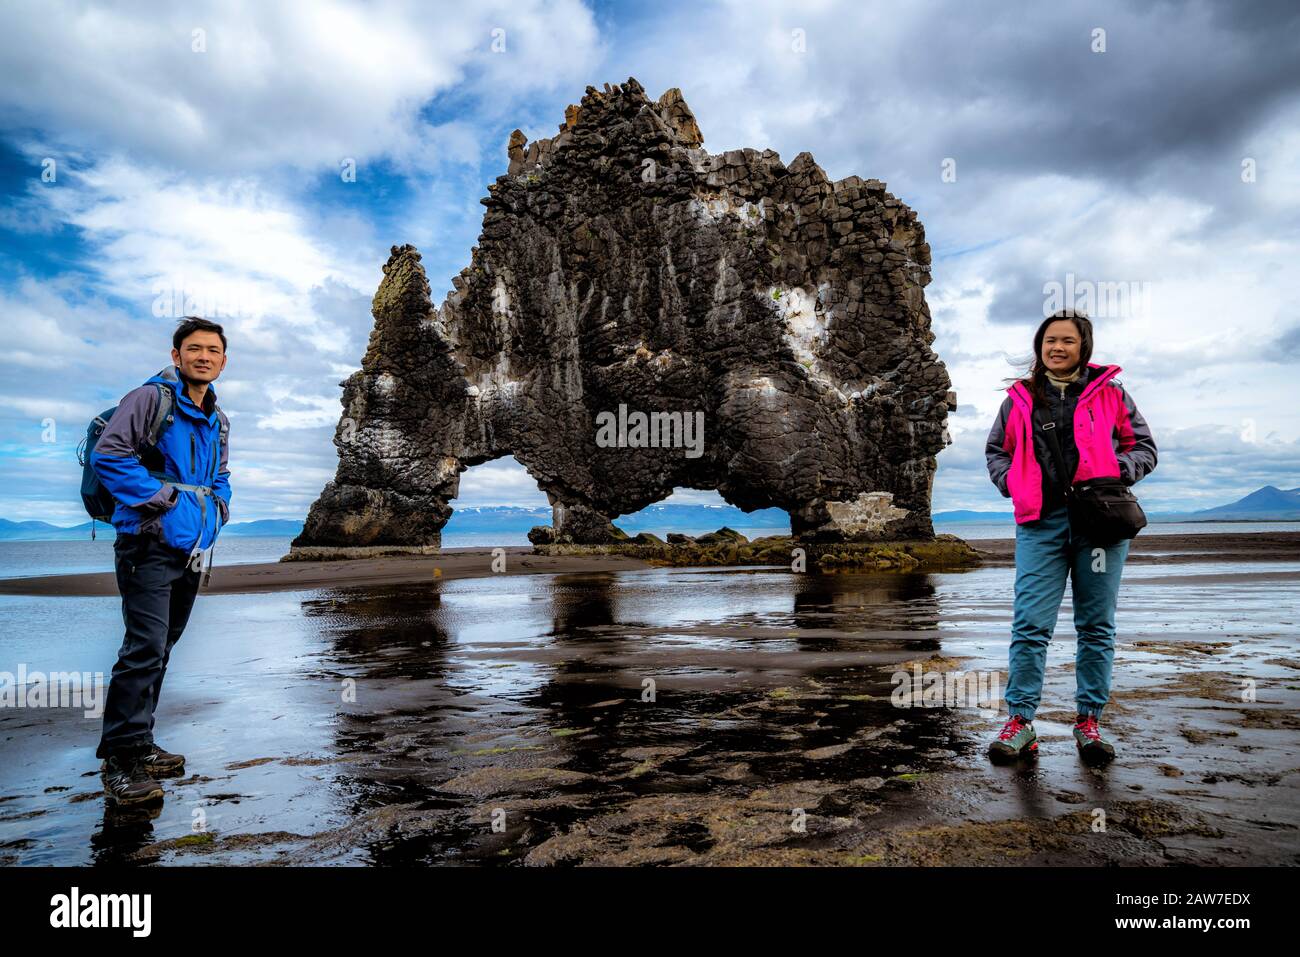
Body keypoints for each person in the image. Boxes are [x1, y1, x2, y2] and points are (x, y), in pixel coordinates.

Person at [983, 309, 1156, 765]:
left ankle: (1089, 722)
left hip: (1099, 522)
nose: (1057, 348)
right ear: (1040, 348)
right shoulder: (1018, 399)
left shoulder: (1112, 394)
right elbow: (996, 452)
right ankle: (1020, 722)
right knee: (1030, 625)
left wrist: (1114, 472)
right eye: (1049, 341)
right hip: (1039, 522)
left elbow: (1143, 447)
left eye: (1068, 341)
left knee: (1095, 625)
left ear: (1084, 347)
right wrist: (1014, 483)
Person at [91, 317, 232, 803]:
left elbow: (222, 474)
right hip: (146, 543)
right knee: (143, 648)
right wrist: (162, 501)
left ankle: (141, 742)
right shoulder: (150, 399)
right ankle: (120, 761)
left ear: (223, 360)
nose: (204, 357)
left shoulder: (218, 417)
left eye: (213, 351)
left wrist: (217, 511)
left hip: (190, 550)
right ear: (176, 356)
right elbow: (109, 455)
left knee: (163, 647)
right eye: (194, 349)